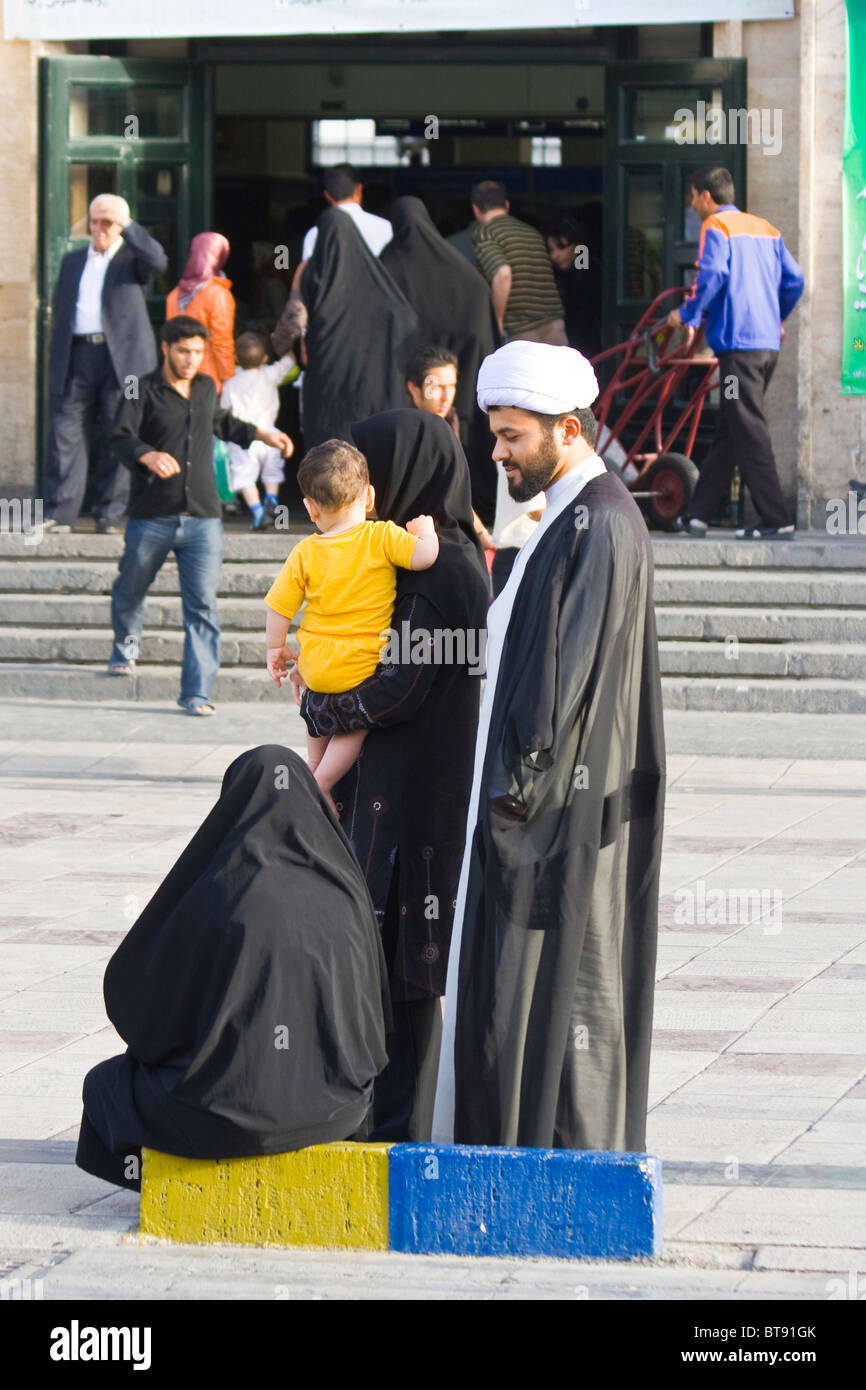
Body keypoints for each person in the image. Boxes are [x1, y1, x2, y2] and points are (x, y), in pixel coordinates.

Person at [432, 341, 666, 1153]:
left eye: (511, 436)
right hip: (544, 807)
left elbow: (553, 697)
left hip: (546, 816)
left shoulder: (595, 524)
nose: (495, 452)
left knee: (541, 994)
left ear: (567, 430)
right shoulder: (575, 516)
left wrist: (510, 805)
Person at [292, 410, 490, 1142]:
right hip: (395, 787)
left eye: (372, 468)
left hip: (414, 797)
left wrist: (319, 703)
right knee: (390, 964)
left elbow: (399, 688)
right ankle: (381, 1118)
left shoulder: (446, 567)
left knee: (407, 965)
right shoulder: (414, 555)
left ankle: (394, 1128)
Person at [75, 746, 391, 1191]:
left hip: (219, 1118)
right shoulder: (345, 893)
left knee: (105, 1087)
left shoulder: (218, 890)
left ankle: (173, 1183)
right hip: (335, 1112)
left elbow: (137, 1005)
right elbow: (374, 1026)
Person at [108, 315, 292, 714]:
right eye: (183, 352)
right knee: (131, 587)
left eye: (197, 352)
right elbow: (119, 438)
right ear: (166, 349)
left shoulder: (208, 387)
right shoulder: (140, 387)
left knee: (203, 607)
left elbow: (225, 424)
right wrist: (147, 454)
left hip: (204, 518)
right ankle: (125, 646)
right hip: (152, 514)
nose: (191, 360)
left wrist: (265, 435)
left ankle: (197, 693)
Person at [265, 439, 439, 808]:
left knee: (316, 710)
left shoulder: (306, 552)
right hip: (359, 664)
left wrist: (275, 648)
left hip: (313, 664)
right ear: (371, 496)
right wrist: (426, 532)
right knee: (354, 724)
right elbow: (424, 557)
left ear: (310, 509)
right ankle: (324, 782)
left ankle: (313, 764)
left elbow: (279, 607)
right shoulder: (381, 536)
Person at [667, 165, 805, 539]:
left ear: (706, 196)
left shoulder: (716, 227)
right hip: (765, 345)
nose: (691, 205)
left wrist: (688, 314)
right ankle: (698, 516)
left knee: (749, 430)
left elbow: (712, 275)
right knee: (731, 429)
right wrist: (775, 317)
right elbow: (796, 279)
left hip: (738, 349)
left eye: (692, 197)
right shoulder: (766, 228)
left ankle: (777, 519)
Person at [43, 193, 167, 535]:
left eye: (107, 222)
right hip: (78, 355)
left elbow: (158, 261)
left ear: (121, 226)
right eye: (94, 221)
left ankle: (109, 513)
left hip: (122, 360)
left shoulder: (133, 259)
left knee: (119, 431)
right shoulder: (71, 261)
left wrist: (127, 225)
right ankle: (61, 512)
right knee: (65, 433)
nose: (98, 228)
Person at [381, 196, 502, 522]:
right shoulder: (458, 266)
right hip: (455, 372)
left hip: (410, 380)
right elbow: (478, 303)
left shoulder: (387, 264)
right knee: (458, 435)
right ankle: (470, 504)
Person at [299, 208, 418, 448]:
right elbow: (405, 319)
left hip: (327, 390)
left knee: (329, 459)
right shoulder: (382, 286)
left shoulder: (312, 275)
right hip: (372, 390)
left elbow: (297, 324)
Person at [405, 345, 494, 552]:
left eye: (451, 386)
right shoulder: (409, 432)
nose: (446, 396)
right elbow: (451, 493)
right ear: (413, 388)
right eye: (436, 387)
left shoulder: (450, 421)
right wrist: (481, 533)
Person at [471, 181, 566, 346]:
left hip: (521, 333)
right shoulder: (532, 233)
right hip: (555, 327)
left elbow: (503, 273)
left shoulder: (485, 233)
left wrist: (497, 321)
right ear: (507, 206)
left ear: (476, 210)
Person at [220, 331, 296, 531]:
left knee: (244, 476)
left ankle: (258, 513)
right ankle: (271, 498)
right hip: (271, 435)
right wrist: (292, 347)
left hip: (244, 439)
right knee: (272, 471)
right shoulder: (269, 374)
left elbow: (223, 411)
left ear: (235, 358)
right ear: (264, 358)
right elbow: (288, 363)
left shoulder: (230, 383)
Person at [165, 232, 235, 388]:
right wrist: (228, 377)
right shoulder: (218, 294)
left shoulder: (174, 295)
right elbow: (221, 340)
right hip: (210, 379)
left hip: (177, 378)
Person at [301, 162, 393, 263]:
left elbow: (308, 275)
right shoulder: (386, 228)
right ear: (359, 189)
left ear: (327, 196)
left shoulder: (315, 234)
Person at [545, 214, 603, 360]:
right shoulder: (561, 274)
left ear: (577, 246)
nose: (555, 256)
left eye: (561, 247)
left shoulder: (589, 271)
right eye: (551, 250)